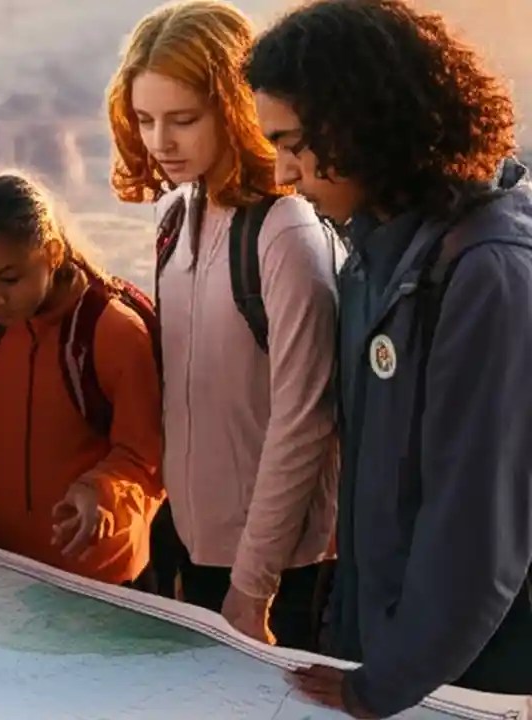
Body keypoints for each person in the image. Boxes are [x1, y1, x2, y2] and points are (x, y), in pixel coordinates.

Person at [245, 0, 532, 714]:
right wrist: (351, 638)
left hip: (469, 681)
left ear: (355, 122)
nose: (283, 173)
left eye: (292, 142)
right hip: (382, 652)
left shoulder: (488, 273)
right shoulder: (370, 259)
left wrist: (387, 683)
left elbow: (480, 526)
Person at [105, 0, 340, 650]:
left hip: (281, 570)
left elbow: (305, 419)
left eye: (183, 119)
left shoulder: (284, 232)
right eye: (146, 119)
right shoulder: (176, 217)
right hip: (195, 548)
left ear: (237, 109)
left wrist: (253, 585)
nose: (160, 142)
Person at [0, 171, 164, 589]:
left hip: (97, 581)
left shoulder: (112, 332)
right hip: (2, 571)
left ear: (52, 253)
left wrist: (99, 492)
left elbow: (146, 455)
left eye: (9, 279)